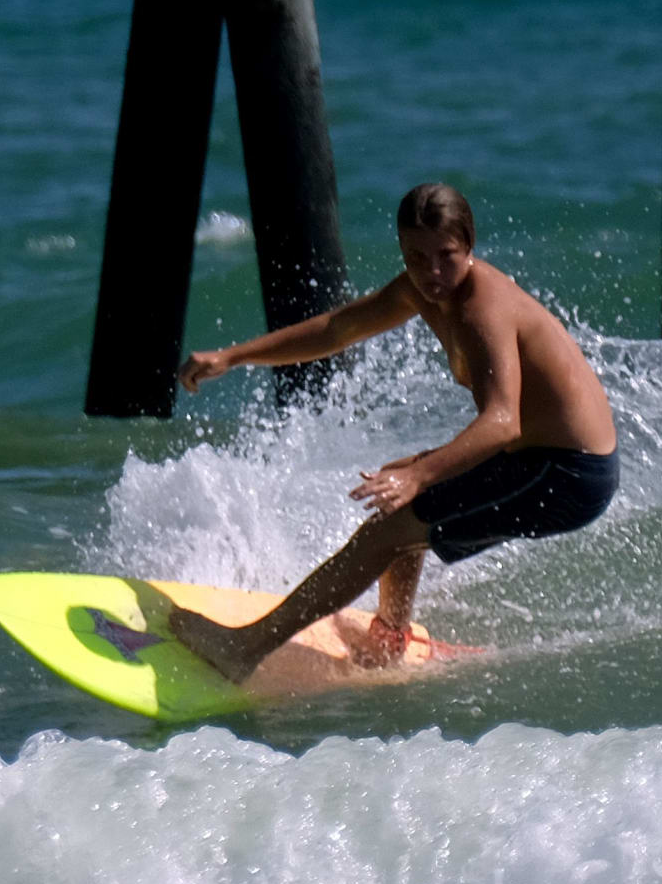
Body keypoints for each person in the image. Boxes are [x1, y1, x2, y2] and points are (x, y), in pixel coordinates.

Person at [163, 181, 618, 682]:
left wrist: (421, 475)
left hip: (568, 473)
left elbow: (501, 419)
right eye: (415, 257)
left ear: (469, 245)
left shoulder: (480, 306)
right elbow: (338, 330)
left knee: (393, 521)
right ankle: (389, 637)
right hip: (535, 455)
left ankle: (244, 649)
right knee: (400, 496)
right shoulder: (420, 290)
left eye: (445, 255)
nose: (432, 273)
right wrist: (235, 356)